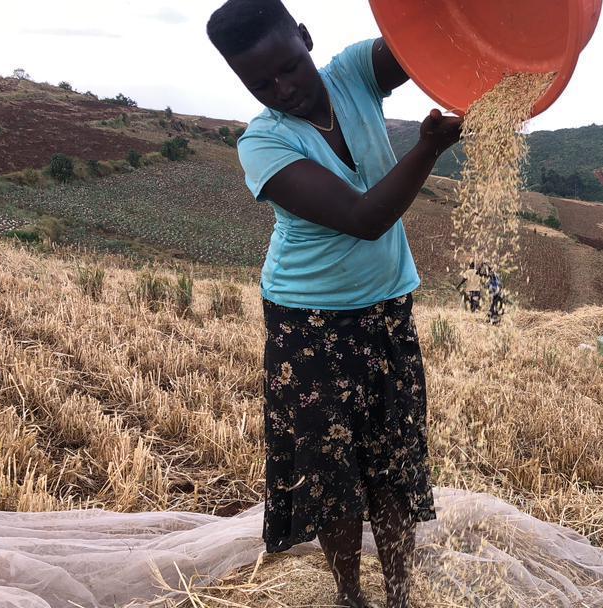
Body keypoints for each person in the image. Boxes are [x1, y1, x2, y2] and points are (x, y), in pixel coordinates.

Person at [206, 2, 462, 607]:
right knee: (333, 475)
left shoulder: (352, 74)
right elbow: (362, 218)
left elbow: (423, 42)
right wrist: (427, 148)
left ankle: (398, 592)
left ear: (305, 37)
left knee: (395, 461)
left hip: (385, 309)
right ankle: (351, 594)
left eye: (290, 67)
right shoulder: (264, 143)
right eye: (259, 83)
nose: (283, 89)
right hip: (308, 323)